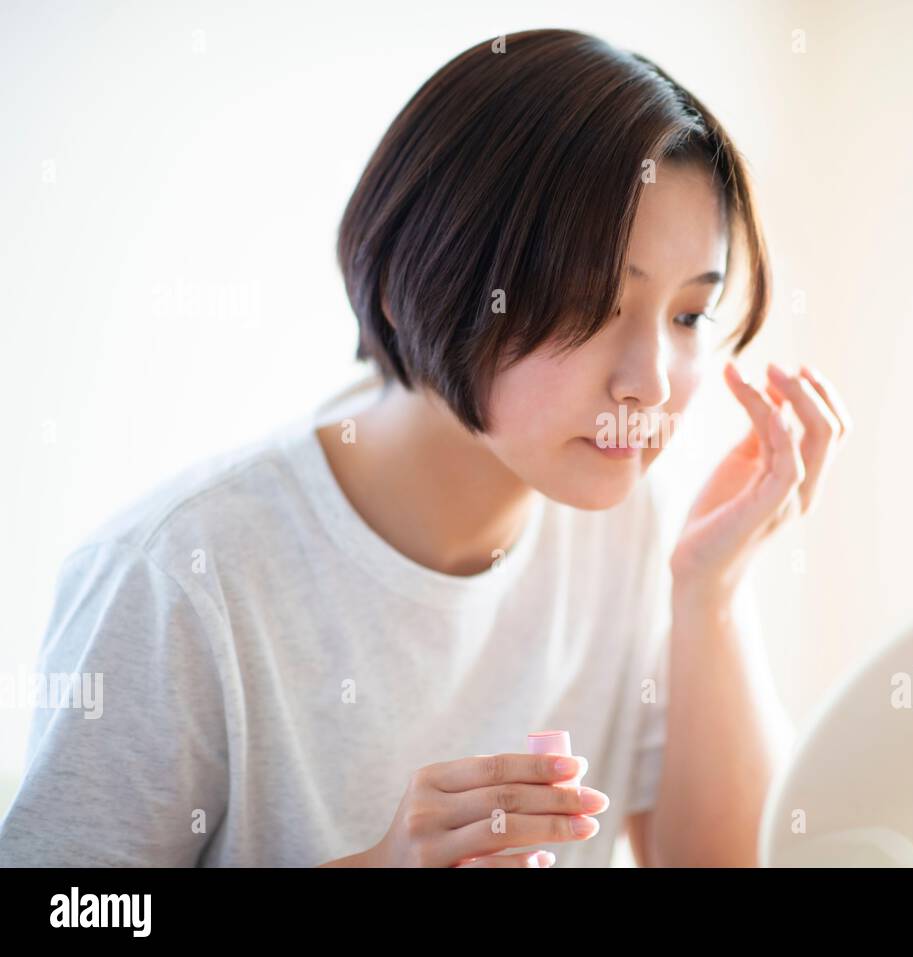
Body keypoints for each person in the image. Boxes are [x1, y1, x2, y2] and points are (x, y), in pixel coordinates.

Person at [0, 27, 851, 868]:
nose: (653, 384)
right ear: (428, 281)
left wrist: (709, 594)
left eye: (689, 315)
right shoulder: (176, 576)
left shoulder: (621, 526)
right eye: (596, 300)